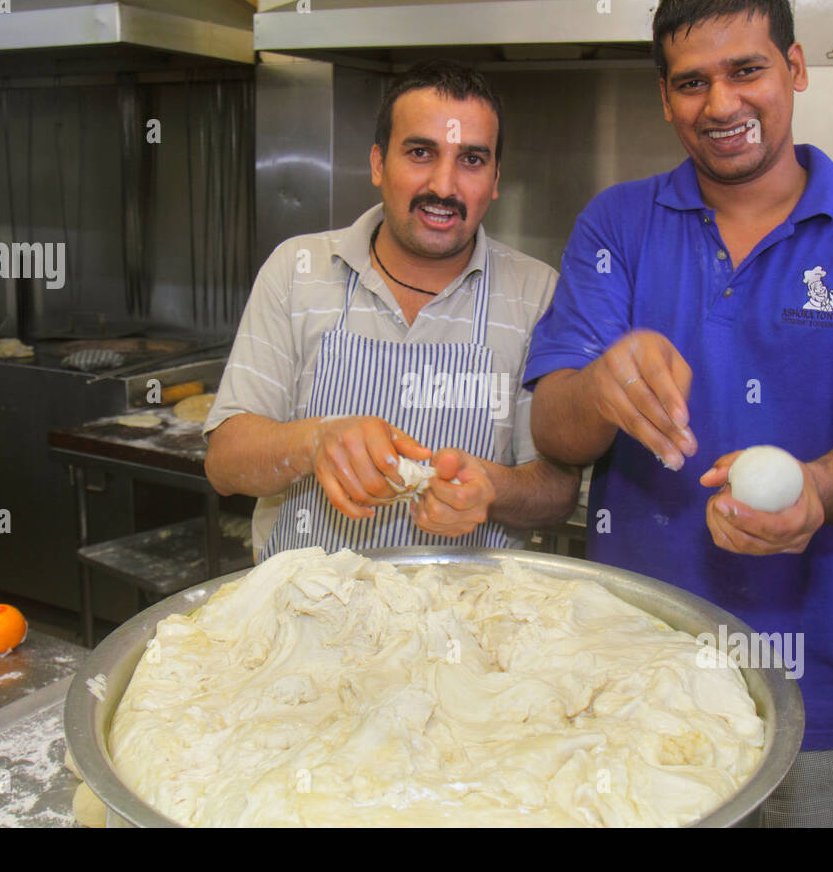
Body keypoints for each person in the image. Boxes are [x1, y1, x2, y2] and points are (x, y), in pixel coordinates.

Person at [524, 0, 833, 827]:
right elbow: (556, 433)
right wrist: (600, 391)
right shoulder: (617, 225)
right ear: (666, 98)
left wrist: (816, 491)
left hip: (800, 691)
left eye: (745, 70)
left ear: (794, 66)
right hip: (622, 682)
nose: (719, 104)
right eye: (691, 83)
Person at [205, 61, 578, 559]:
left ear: (494, 180)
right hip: (308, 612)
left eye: (471, 160)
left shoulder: (537, 294)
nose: (444, 187)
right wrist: (314, 443)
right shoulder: (298, 270)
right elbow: (225, 462)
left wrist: (494, 489)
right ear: (378, 164)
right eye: (421, 153)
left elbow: (557, 491)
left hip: (471, 619)